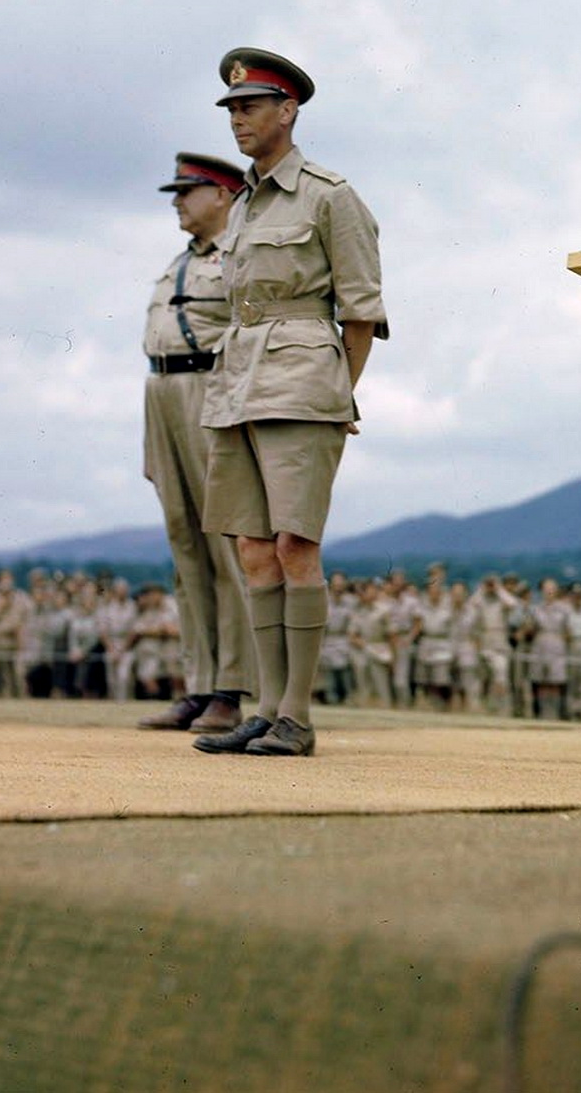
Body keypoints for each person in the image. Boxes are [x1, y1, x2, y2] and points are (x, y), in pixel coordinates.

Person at [196, 48, 388, 756]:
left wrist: (338, 394)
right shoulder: (243, 203)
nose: (238, 120)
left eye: (249, 107)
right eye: (231, 109)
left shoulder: (329, 194)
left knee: (294, 546)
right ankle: (266, 707)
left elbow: (362, 311)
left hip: (303, 383)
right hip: (238, 382)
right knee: (252, 549)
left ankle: (296, 716)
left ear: (288, 110)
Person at [139, 152, 257, 734]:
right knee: (184, 546)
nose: (177, 202)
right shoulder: (179, 263)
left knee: (223, 546)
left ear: (222, 195)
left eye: (188, 191)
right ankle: (199, 683)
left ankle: (231, 688)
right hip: (162, 391)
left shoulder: (240, 259)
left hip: (210, 392)